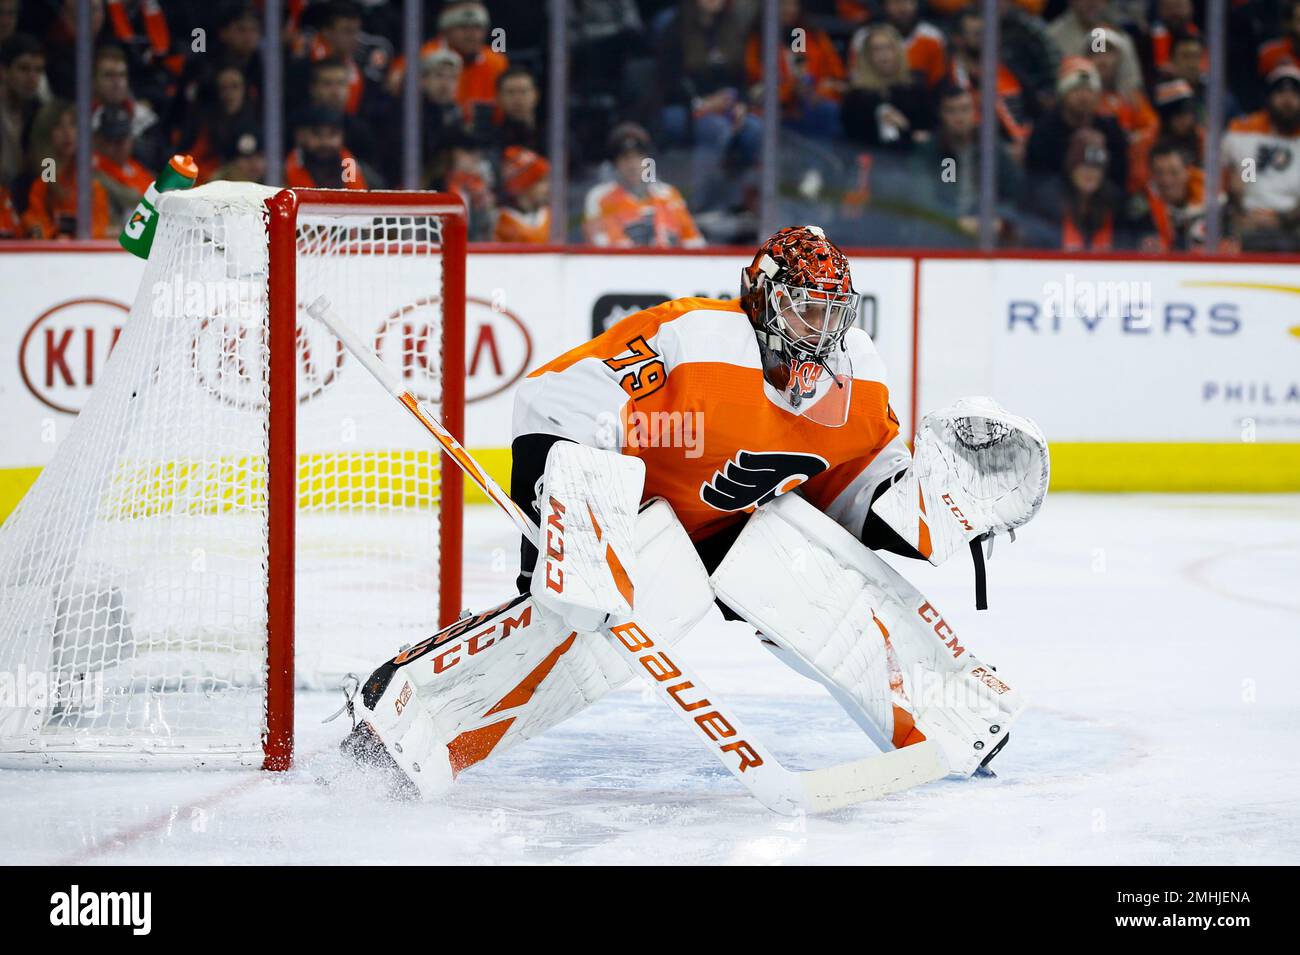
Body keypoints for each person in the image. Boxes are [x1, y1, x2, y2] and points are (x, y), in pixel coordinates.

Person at [337, 225, 1045, 798]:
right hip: (640, 510)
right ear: (762, 298)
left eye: (833, 309)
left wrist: (932, 509)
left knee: (809, 575)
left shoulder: (858, 377)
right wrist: (577, 512)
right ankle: (409, 708)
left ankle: (947, 710)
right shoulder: (692, 341)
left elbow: (853, 491)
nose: (820, 327)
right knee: (594, 626)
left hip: (739, 525)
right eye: (805, 305)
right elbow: (554, 396)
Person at [583, 122, 704, 247]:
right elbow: (599, 244)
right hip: (623, 264)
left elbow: (694, 242)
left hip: (670, 263)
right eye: (625, 158)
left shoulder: (668, 194)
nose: (632, 165)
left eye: (638, 157)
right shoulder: (599, 197)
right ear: (615, 163)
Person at [1221, 64, 1300, 251]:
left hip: (1294, 223)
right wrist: (1239, 203)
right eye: (1280, 93)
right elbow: (1243, 178)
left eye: (1295, 94)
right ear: (1268, 98)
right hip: (1248, 221)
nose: (1287, 100)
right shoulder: (1246, 133)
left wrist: (1285, 218)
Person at [20, 98, 110, 238]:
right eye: (58, 126)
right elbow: (35, 222)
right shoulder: (37, 179)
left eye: (73, 125)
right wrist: (54, 236)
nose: (67, 133)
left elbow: (99, 225)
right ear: (46, 132)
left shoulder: (90, 181)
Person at [841, 23, 933, 148]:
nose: (884, 55)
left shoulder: (915, 85)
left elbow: (927, 130)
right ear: (867, 56)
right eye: (877, 49)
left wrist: (905, 126)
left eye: (889, 48)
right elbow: (851, 138)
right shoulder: (857, 95)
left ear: (898, 51)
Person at [493, 145, 550, 243]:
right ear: (525, 185)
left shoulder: (550, 216)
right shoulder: (501, 220)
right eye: (541, 181)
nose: (548, 188)